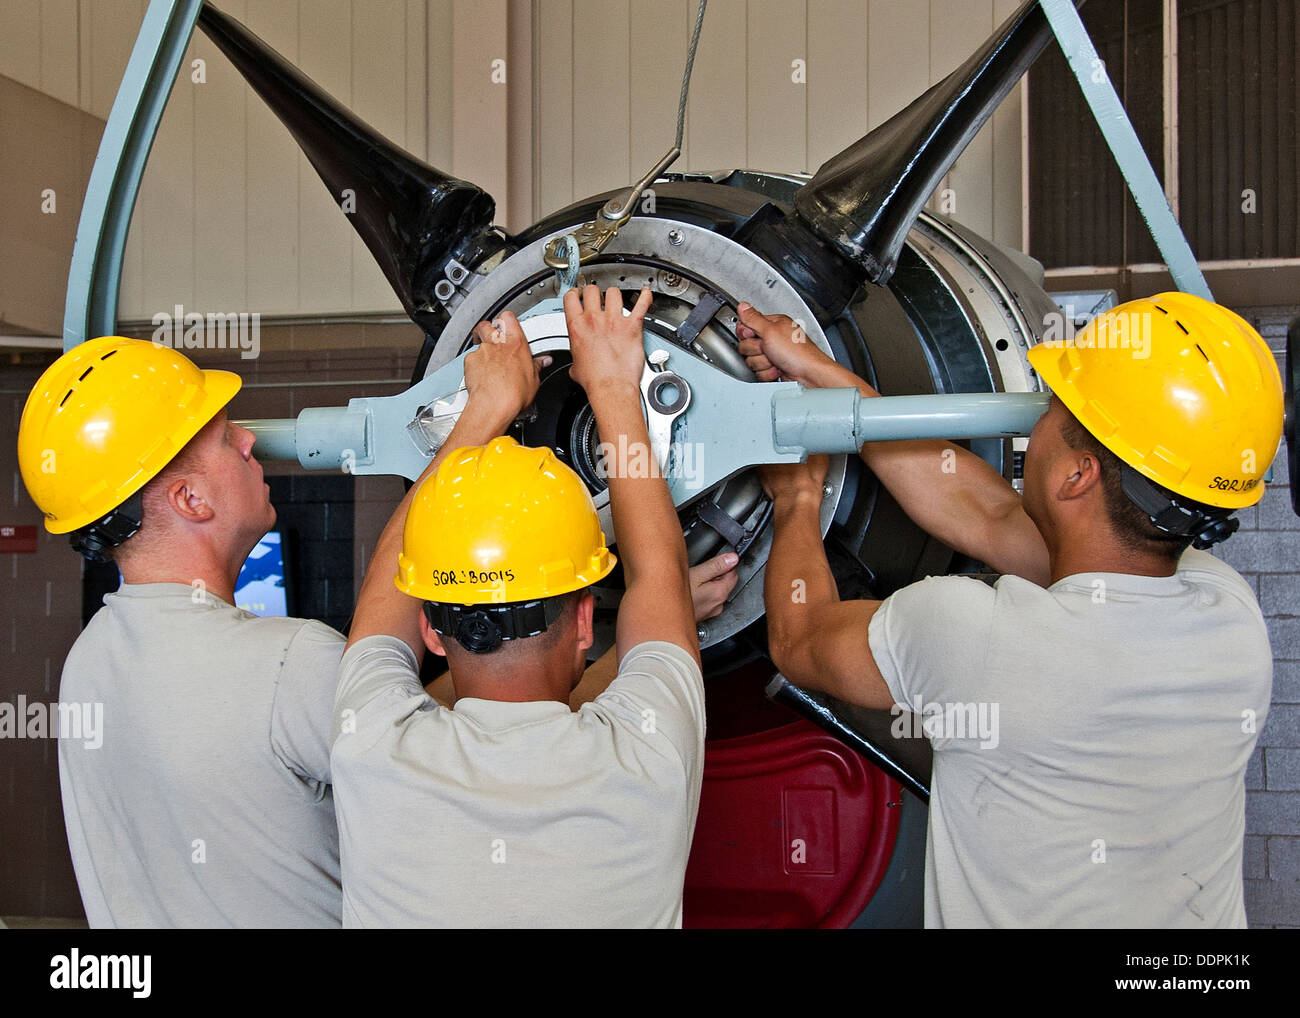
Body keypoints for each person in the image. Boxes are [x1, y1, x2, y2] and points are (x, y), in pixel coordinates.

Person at [738, 292, 1282, 928]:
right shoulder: (1229, 612)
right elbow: (989, 514)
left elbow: (800, 641)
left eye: (1054, 406)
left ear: (1077, 476)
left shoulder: (976, 637)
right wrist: (828, 382)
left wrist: (797, 501)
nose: (1037, 415)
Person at [331, 288, 705, 928]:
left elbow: (381, 592)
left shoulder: (368, 749)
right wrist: (616, 390)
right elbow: (661, 575)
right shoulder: (650, 758)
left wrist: (485, 410)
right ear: (586, 621)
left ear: (433, 632)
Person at [17, 336, 344, 927]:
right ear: (189, 498)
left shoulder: (88, 662)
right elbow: (452, 780)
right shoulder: (291, 663)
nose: (250, 440)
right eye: (224, 436)